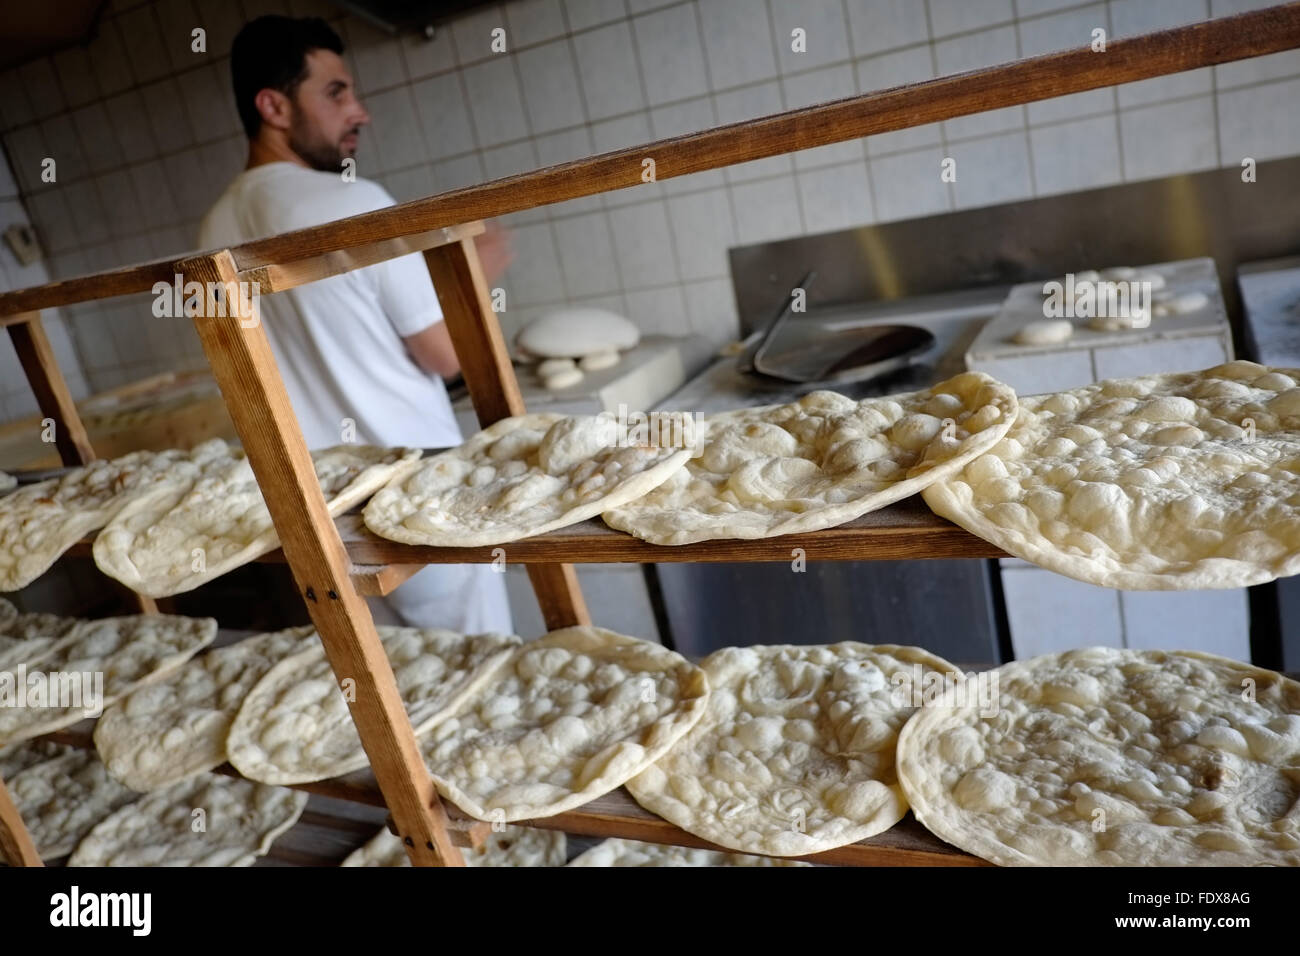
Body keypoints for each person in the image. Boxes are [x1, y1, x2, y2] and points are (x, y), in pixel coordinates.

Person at [198, 15, 513, 635]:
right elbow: (445, 355)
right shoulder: (354, 203)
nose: (360, 111)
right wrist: (477, 269)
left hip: (321, 520)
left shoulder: (211, 229)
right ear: (274, 107)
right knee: (483, 688)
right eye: (336, 92)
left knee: (396, 702)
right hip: (421, 502)